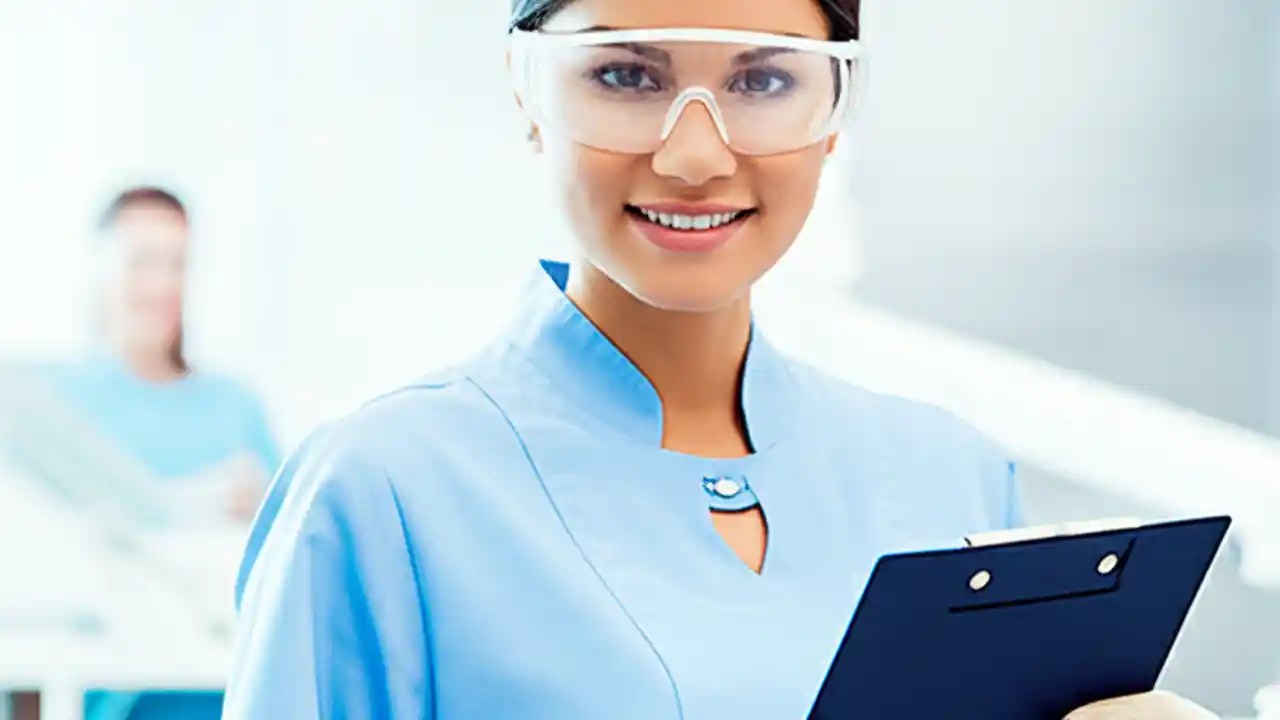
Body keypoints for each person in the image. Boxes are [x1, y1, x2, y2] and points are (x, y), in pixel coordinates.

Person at [223, 1, 1218, 718]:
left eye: (762, 80)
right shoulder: (384, 490)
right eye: (625, 75)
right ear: (527, 94)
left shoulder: (947, 475)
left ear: (833, 113)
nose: (694, 155)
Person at [47, 186, 279, 720]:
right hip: (105, 693)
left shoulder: (235, 409)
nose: (162, 283)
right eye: (143, 261)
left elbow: (284, 561)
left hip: (221, 690)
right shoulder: (56, 409)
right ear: (98, 272)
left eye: (178, 263)